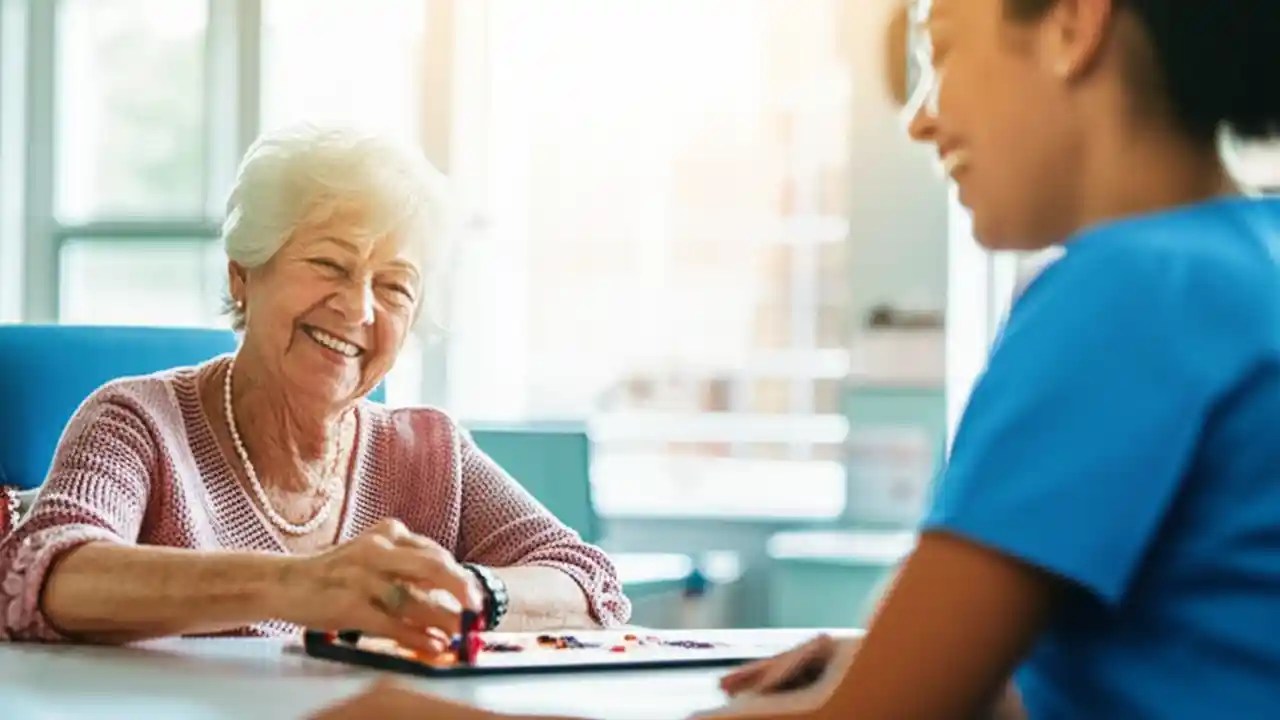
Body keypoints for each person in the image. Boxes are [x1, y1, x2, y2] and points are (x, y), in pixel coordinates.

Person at [311, 0, 1280, 716]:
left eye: (938, 53)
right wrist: (906, 656)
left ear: (1072, 24)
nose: (920, 118)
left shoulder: (1126, 293)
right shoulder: (1245, 263)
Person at [0, 125, 630, 650]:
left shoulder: (431, 451)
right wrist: (304, 586)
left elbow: (587, 582)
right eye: (330, 264)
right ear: (244, 273)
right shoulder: (138, 420)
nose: (359, 309)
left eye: (394, 286)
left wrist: (466, 594)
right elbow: (51, 570)